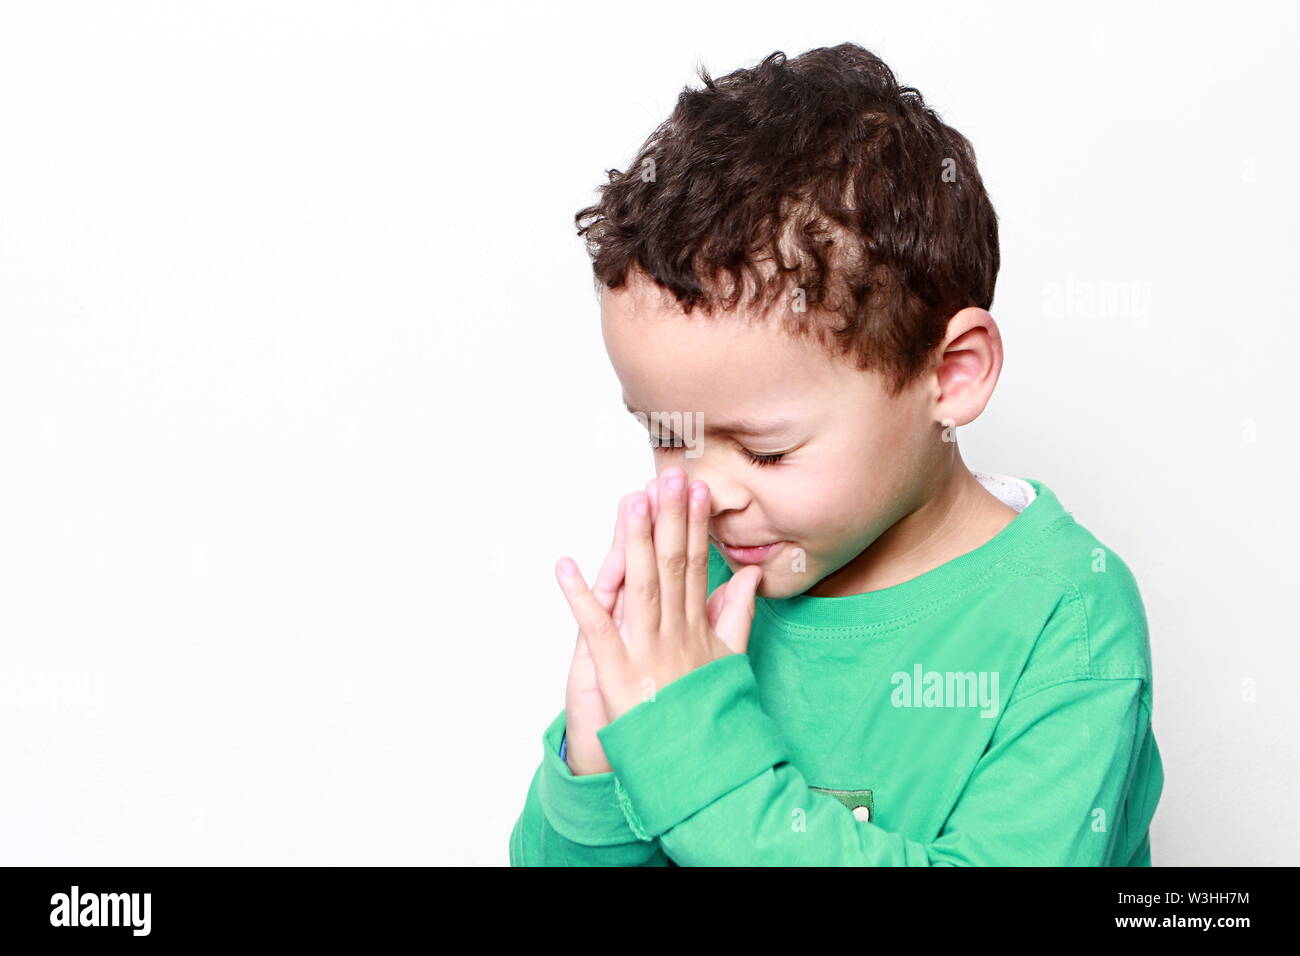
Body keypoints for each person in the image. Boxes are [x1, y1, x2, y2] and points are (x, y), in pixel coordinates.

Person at [508, 42, 1163, 866]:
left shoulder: (1068, 623)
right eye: (668, 433)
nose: (705, 496)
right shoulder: (699, 591)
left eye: (767, 450)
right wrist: (596, 771)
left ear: (950, 375)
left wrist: (687, 748)